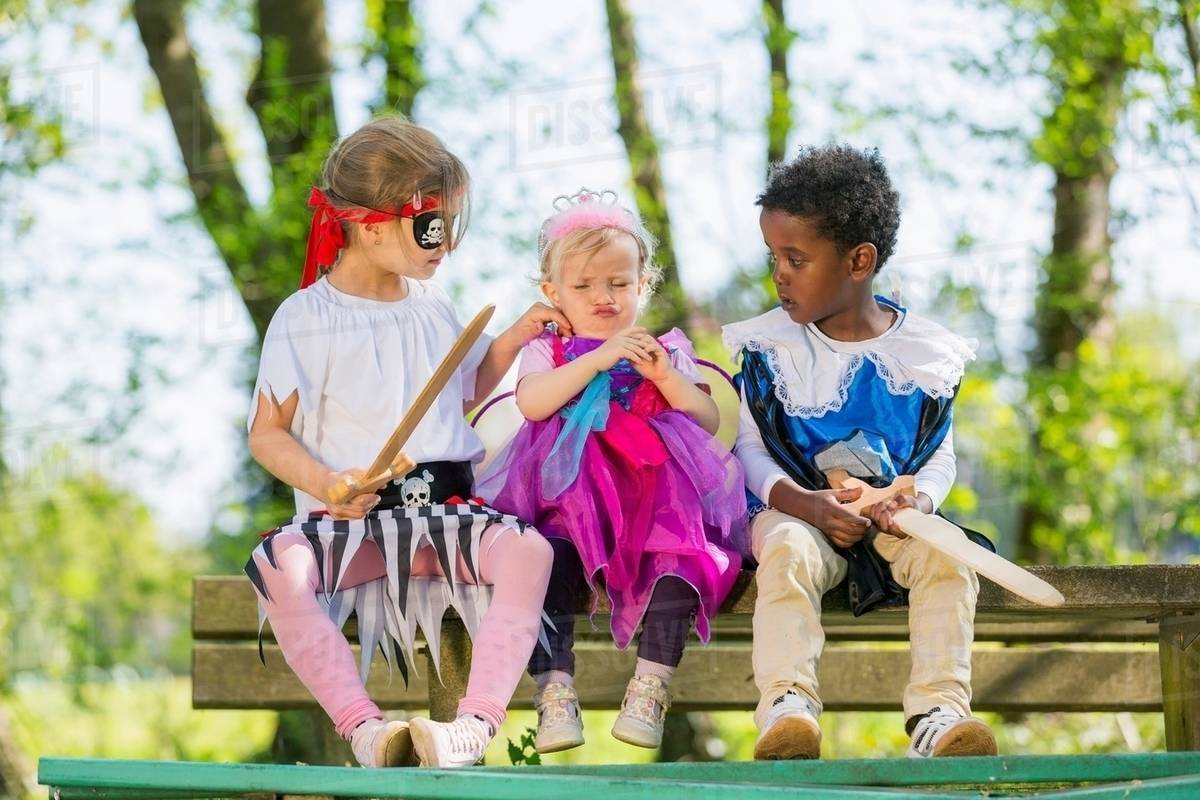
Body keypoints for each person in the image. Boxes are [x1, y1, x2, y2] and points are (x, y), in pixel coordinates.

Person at [244, 117, 568, 769]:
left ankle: (473, 727)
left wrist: (511, 339)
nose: (442, 242)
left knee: (530, 553)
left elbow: (464, 389)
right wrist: (330, 485)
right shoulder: (305, 318)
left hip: (449, 517)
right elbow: (267, 435)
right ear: (369, 226)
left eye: (446, 224)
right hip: (359, 529)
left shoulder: (433, 303)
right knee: (280, 566)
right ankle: (366, 730)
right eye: (428, 226)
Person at [724, 144, 997, 760]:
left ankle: (938, 712)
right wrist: (810, 507)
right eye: (774, 257)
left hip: (889, 519)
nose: (779, 273)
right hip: (798, 515)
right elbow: (749, 450)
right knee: (789, 549)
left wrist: (912, 499)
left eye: (796, 258)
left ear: (859, 261)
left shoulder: (925, 354)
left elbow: (939, 457)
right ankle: (787, 707)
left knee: (947, 557)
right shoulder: (771, 348)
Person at [478, 188, 748, 753]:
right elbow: (532, 404)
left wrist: (668, 380)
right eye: (582, 286)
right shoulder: (550, 349)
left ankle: (650, 687)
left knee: (685, 567)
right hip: (567, 497)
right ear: (552, 293)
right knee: (541, 568)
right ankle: (554, 695)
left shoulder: (662, 347)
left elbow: (705, 417)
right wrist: (597, 359)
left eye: (619, 283)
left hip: (655, 500)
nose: (603, 296)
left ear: (642, 286)